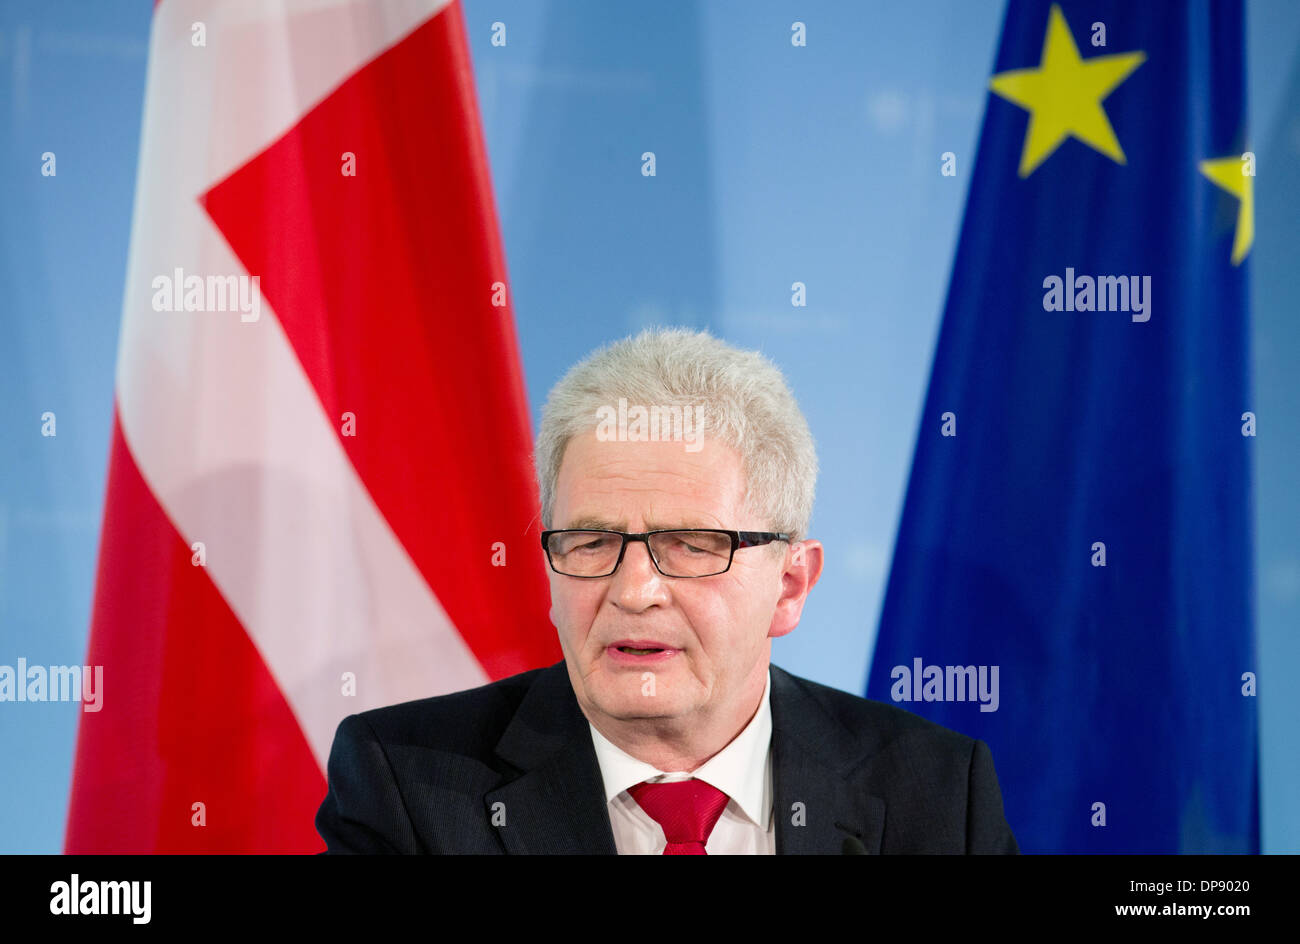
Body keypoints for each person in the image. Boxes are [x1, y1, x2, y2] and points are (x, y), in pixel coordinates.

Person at [315, 327, 1019, 854]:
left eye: (691, 545)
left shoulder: (935, 793)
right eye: (591, 542)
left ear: (790, 585)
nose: (635, 590)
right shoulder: (406, 785)